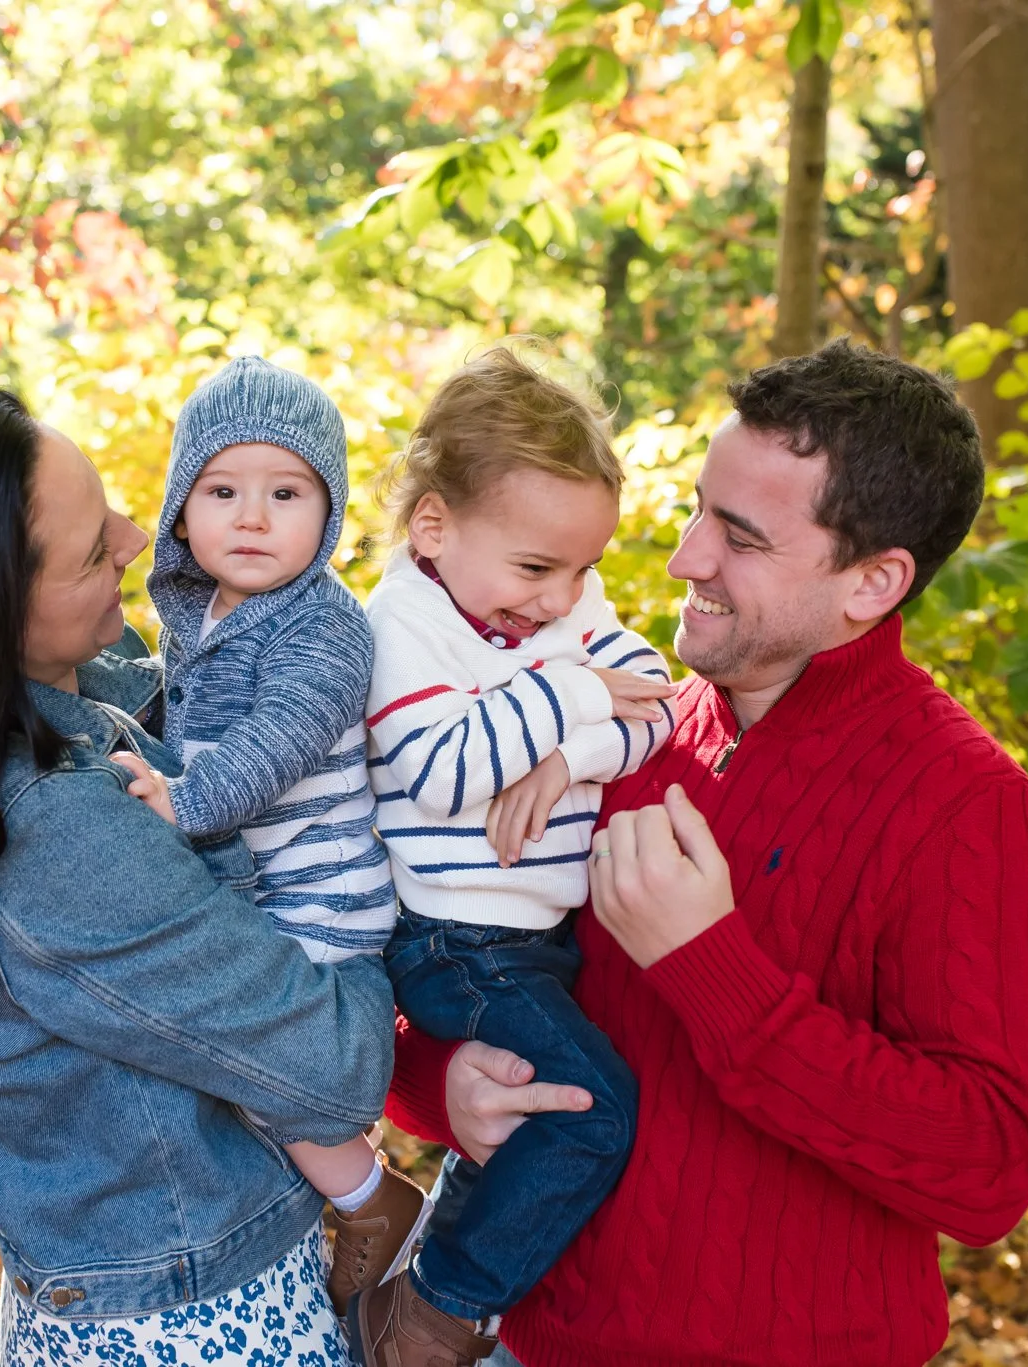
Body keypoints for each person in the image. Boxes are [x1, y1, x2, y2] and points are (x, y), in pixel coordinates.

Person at [385, 339, 1028, 1367]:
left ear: (871, 583)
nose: (682, 558)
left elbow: (987, 1170)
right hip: (514, 1339)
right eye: (698, 506)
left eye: (738, 536)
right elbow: (455, 965)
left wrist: (710, 967)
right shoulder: (622, 725)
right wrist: (443, 1083)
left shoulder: (965, 806)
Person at [0, 390, 394, 1367]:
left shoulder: (9, 721)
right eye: (97, 548)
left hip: (130, 1292)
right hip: (193, 1328)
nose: (142, 539)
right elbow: (334, 1064)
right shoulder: (52, 823)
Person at [350, 348, 677, 1367]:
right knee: (592, 1111)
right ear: (433, 527)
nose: (562, 597)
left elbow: (653, 700)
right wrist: (574, 696)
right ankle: (434, 1310)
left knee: (537, 1110)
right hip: (455, 938)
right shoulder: (397, 623)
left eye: (582, 570)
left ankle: (427, 1270)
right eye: (537, 568)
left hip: (536, 932)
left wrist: (569, 750)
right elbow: (445, 769)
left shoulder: (560, 601)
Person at [110, 356, 430, 1313]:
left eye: (285, 492)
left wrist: (185, 800)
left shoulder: (324, 626)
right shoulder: (200, 611)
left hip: (324, 893)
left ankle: (371, 1198)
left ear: (327, 515)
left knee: (248, 1056)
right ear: (180, 508)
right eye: (222, 490)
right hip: (260, 878)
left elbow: (280, 737)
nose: (251, 517)